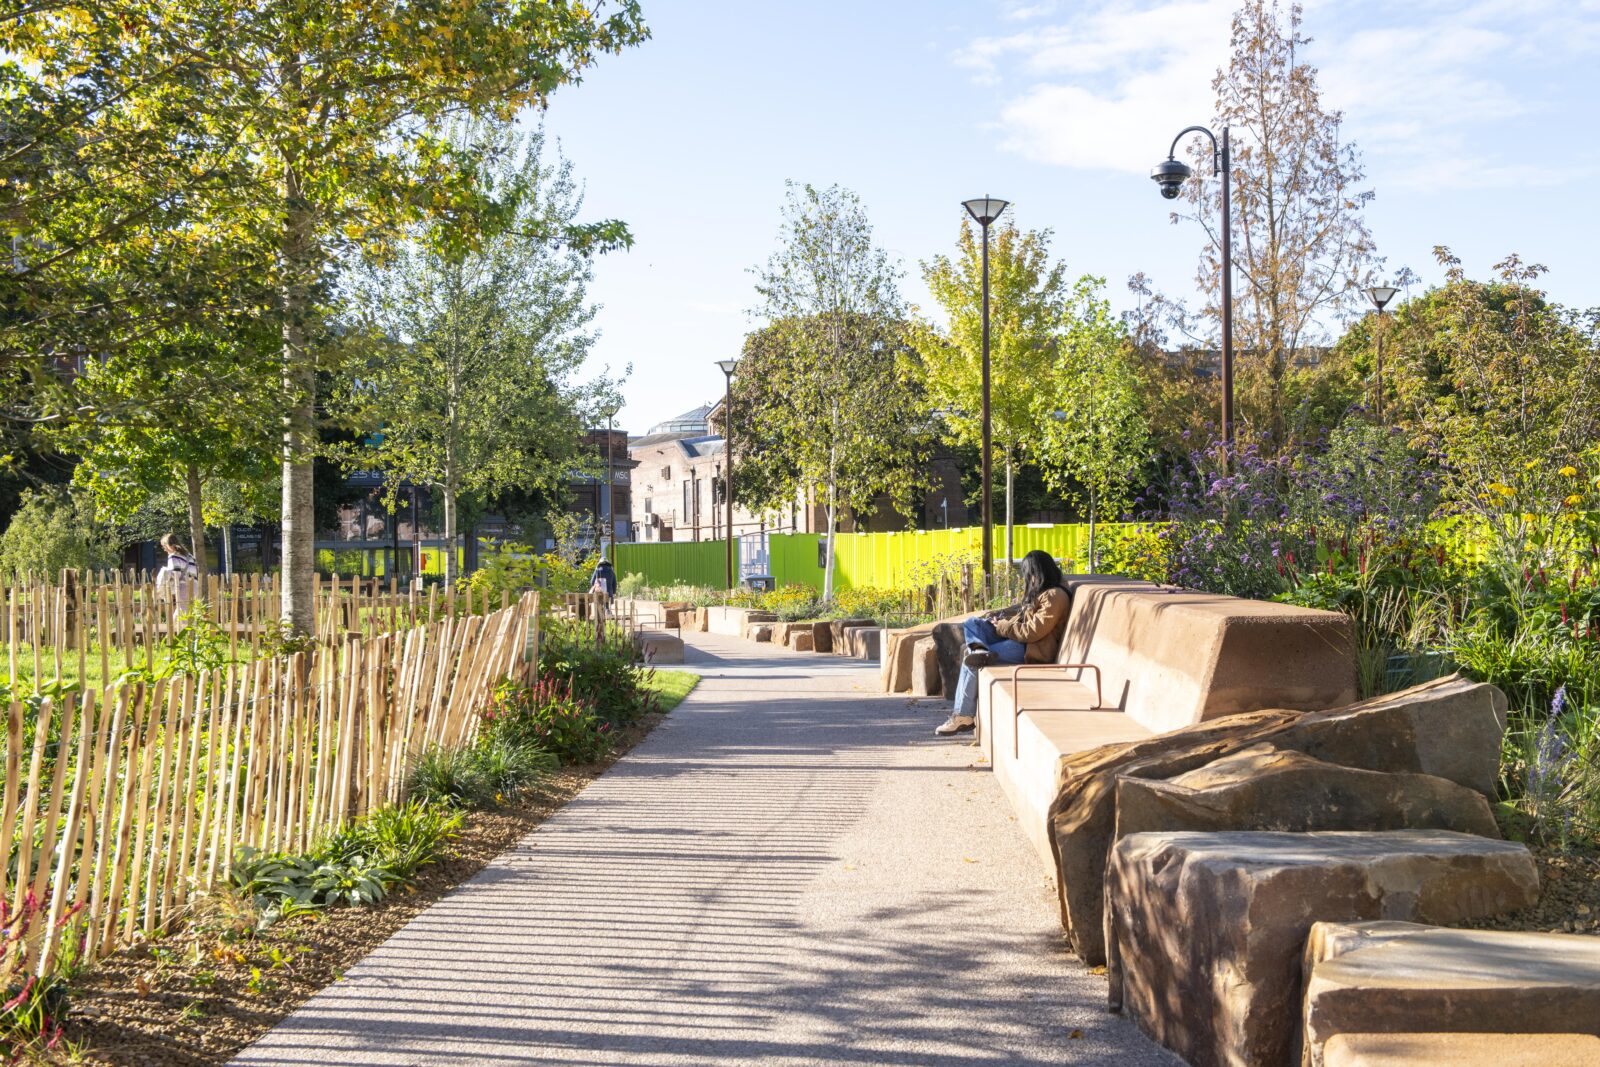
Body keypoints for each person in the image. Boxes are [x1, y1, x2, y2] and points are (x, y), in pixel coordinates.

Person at [935, 550, 1070, 737]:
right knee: (973, 623)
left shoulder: (1055, 596)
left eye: (1028, 574)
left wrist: (1003, 627)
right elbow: (1023, 623)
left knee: (970, 657)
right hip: (1017, 639)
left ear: (1037, 573)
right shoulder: (1042, 593)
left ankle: (963, 716)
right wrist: (998, 621)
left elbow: (1033, 632)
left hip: (1030, 649)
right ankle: (979, 650)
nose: (1027, 579)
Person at [155, 533, 200, 614]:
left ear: (169, 545)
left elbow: (176, 574)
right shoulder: (190, 556)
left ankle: (175, 626)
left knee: (183, 613)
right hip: (195, 586)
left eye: (164, 546)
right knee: (190, 611)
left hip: (184, 586)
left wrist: (165, 581)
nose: (164, 549)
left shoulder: (174, 556)